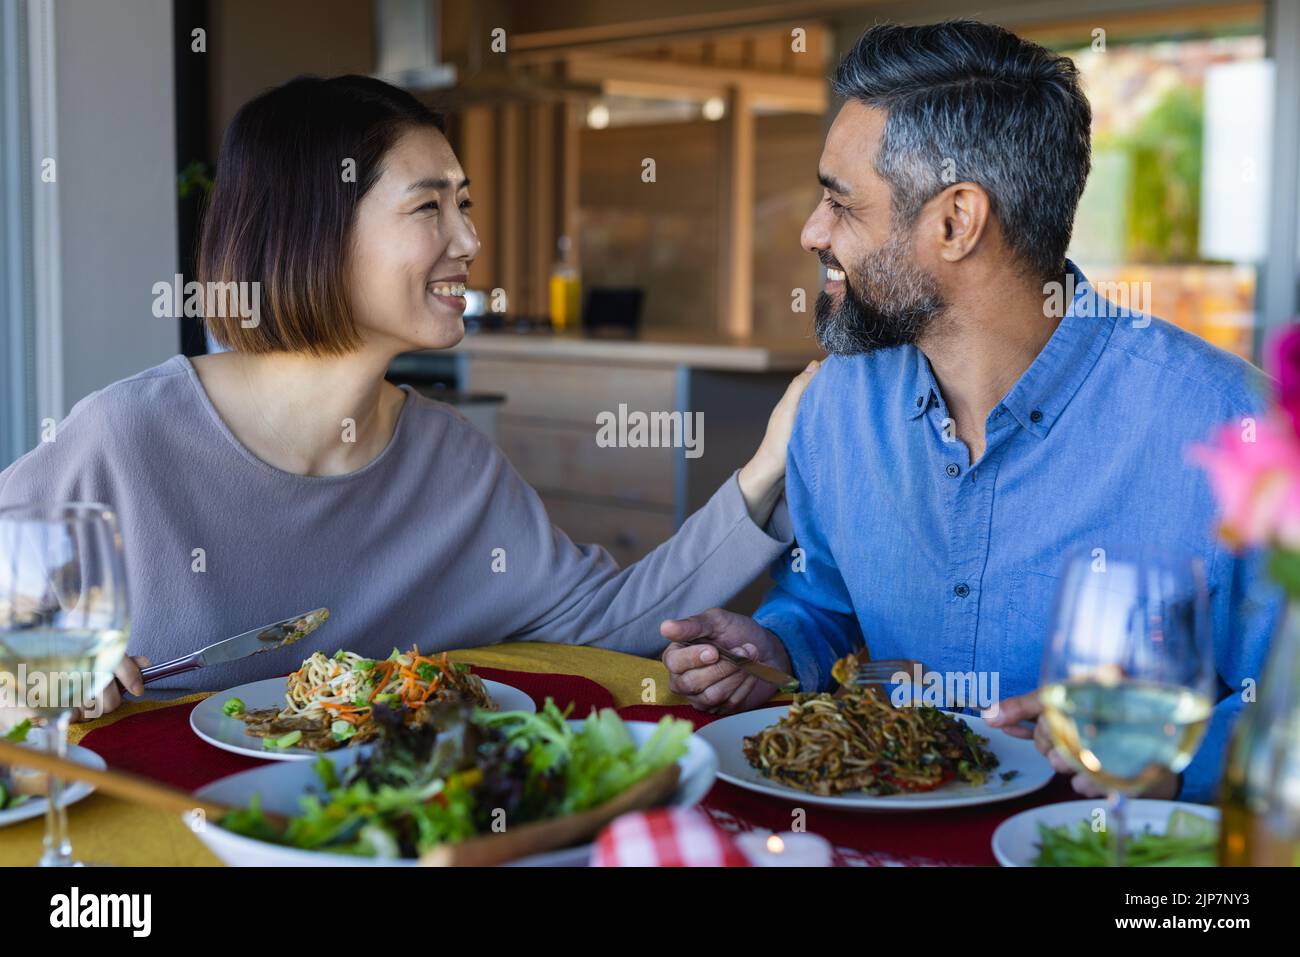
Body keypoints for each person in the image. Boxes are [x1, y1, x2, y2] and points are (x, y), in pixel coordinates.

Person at [0, 75, 817, 715]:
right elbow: (15, 648)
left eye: (464, 204)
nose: (469, 240)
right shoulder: (126, 439)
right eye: (430, 206)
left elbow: (608, 620)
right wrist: (29, 678)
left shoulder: (449, 461)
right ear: (312, 227)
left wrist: (767, 468)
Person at [659, 20, 1279, 803]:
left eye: (840, 204)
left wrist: (1161, 756)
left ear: (956, 221)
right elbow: (823, 604)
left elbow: (1286, 706)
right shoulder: (839, 406)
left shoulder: (1234, 430)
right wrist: (779, 647)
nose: (813, 231)